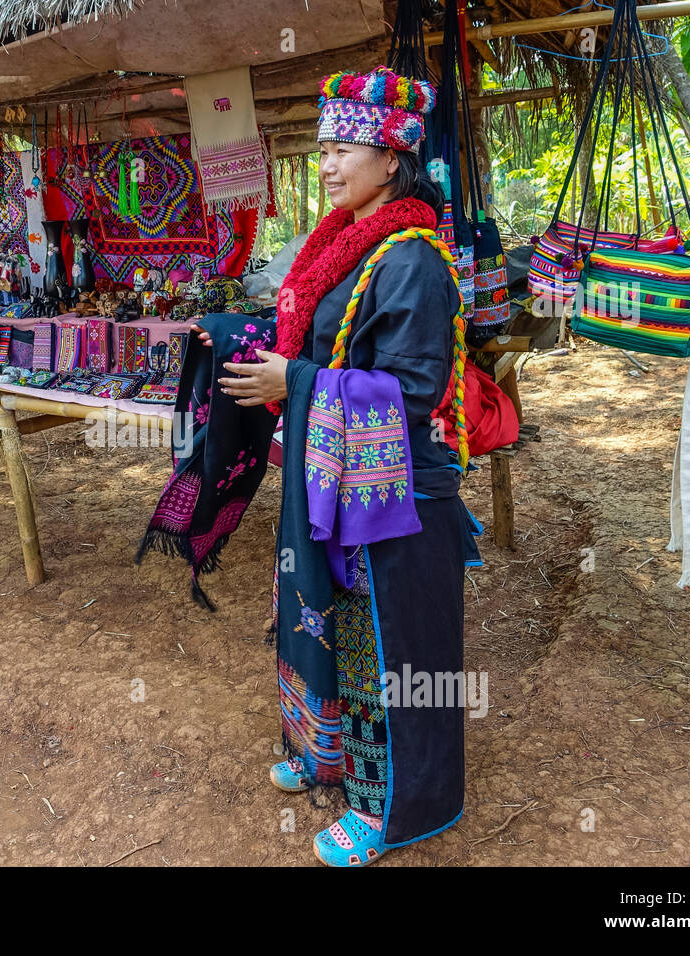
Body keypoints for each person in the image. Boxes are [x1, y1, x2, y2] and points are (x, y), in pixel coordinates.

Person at [197, 67, 476, 867]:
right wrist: (241, 336)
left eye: (343, 146)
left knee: (392, 651)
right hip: (334, 472)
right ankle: (326, 750)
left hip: (397, 494)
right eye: (321, 146)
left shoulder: (414, 261)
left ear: (392, 159)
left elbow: (416, 390)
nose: (325, 162)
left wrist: (298, 384)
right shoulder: (342, 246)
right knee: (322, 616)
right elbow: (323, 343)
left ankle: (393, 805)